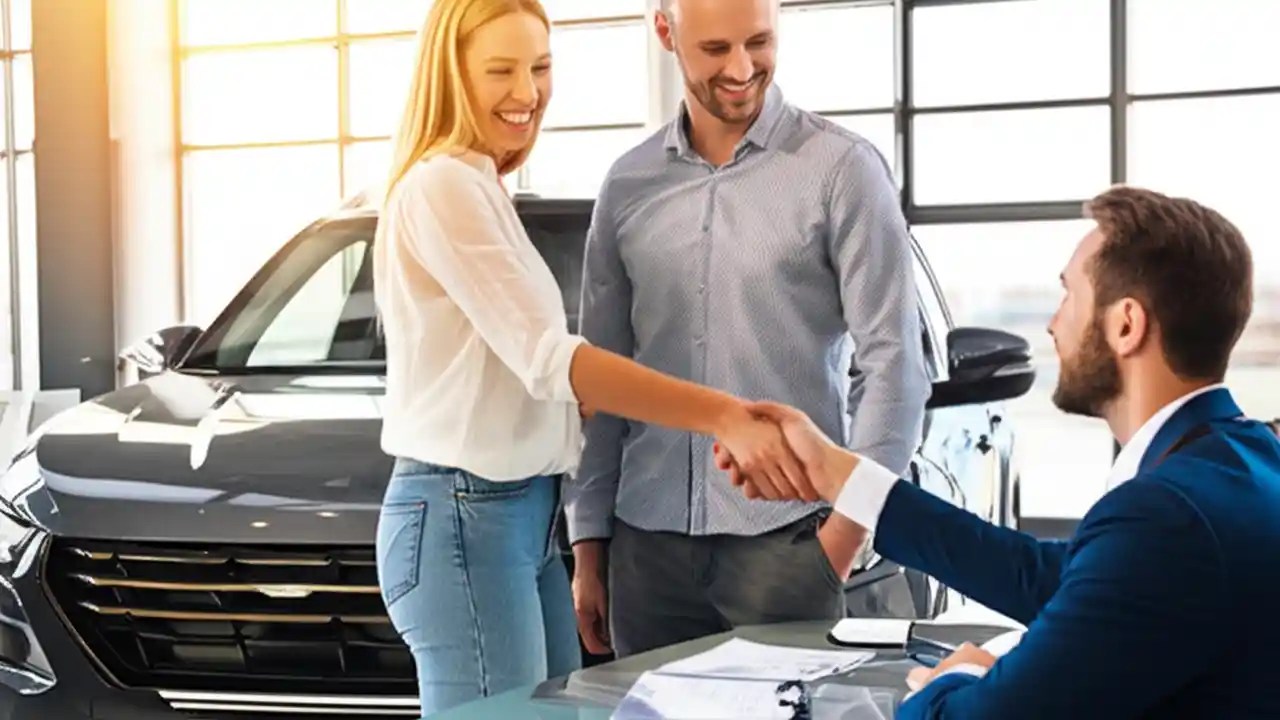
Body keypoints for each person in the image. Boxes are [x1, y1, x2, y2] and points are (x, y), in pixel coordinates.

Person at [369, 0, 817, 714]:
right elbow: (552, 356)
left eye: (540, 66)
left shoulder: (481, 184)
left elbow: (517, 365)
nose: (527, 92)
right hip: (464, 518)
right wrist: (724, 415)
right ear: (450, 74)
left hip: (515, 515)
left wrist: (568, 400)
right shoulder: (442, 184)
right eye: (500, 70)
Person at [721, 186, 1280, 719]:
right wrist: (837, 473)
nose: (1053, 323)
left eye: (1070, 295)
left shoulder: (1168, 516)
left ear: (1126, 324)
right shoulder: (1242, 459)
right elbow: (1062, 577)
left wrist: (956, 678)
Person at [566, 0, 929, 659]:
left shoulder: (842, 170)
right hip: (645, 554)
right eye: (714, 50)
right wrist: (590, 542)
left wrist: (842, 538)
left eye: (758, 42)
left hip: (787, 548)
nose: (741, 69)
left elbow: (896, 364)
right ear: (665, 31)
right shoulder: (626, 185)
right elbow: (602, 376)